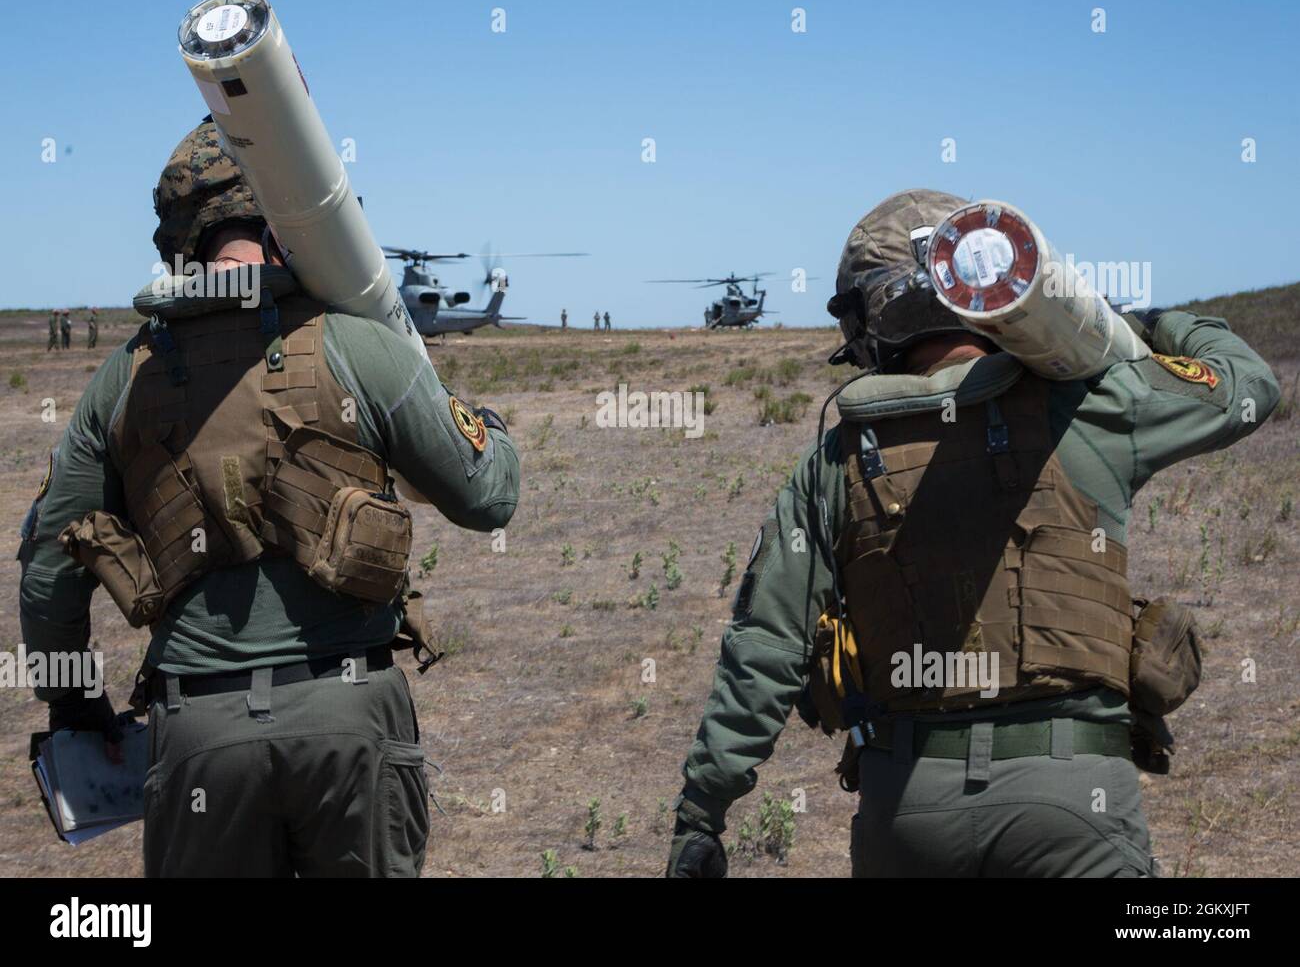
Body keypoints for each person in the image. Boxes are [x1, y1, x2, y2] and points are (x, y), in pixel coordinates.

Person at [667, 188, 1280, 878]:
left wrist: (701, 817)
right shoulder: (1091, 405)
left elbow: (764, 650)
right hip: (1075, 802)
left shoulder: (833, 463)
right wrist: (1148, 324)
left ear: (872, 316)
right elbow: (1250, 386)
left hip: (906, 810)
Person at [19, 117, 521, 878]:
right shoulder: (361, 348)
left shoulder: (122, 381)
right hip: (350, 724)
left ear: (182, 240)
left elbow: (49, 574)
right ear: (290, 217)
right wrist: (487, 426)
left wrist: (75, 707)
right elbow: (488, 497)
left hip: (199, 737)